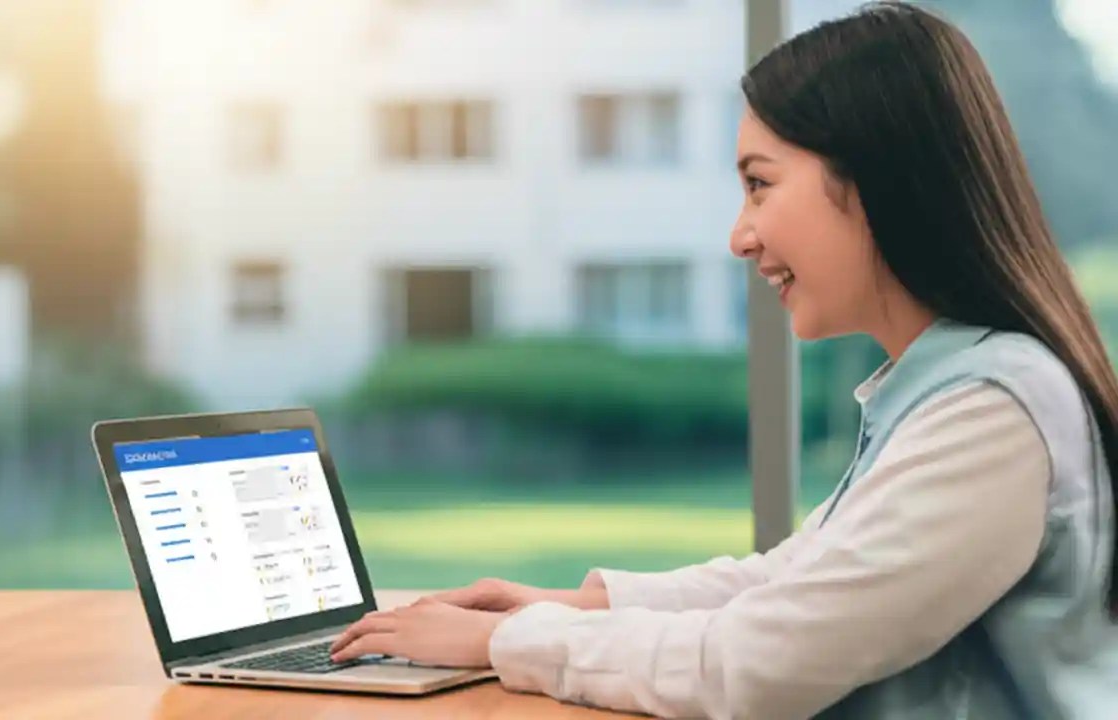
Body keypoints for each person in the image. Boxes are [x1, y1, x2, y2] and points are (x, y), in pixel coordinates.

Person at [330, 3, 1118, 717]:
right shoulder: (956, 390)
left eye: (759, 186)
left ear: (874, 177)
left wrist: (504, 643)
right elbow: (792, 582)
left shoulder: (991, 416)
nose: (740, 236)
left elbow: (758, 665)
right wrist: (571, 606)